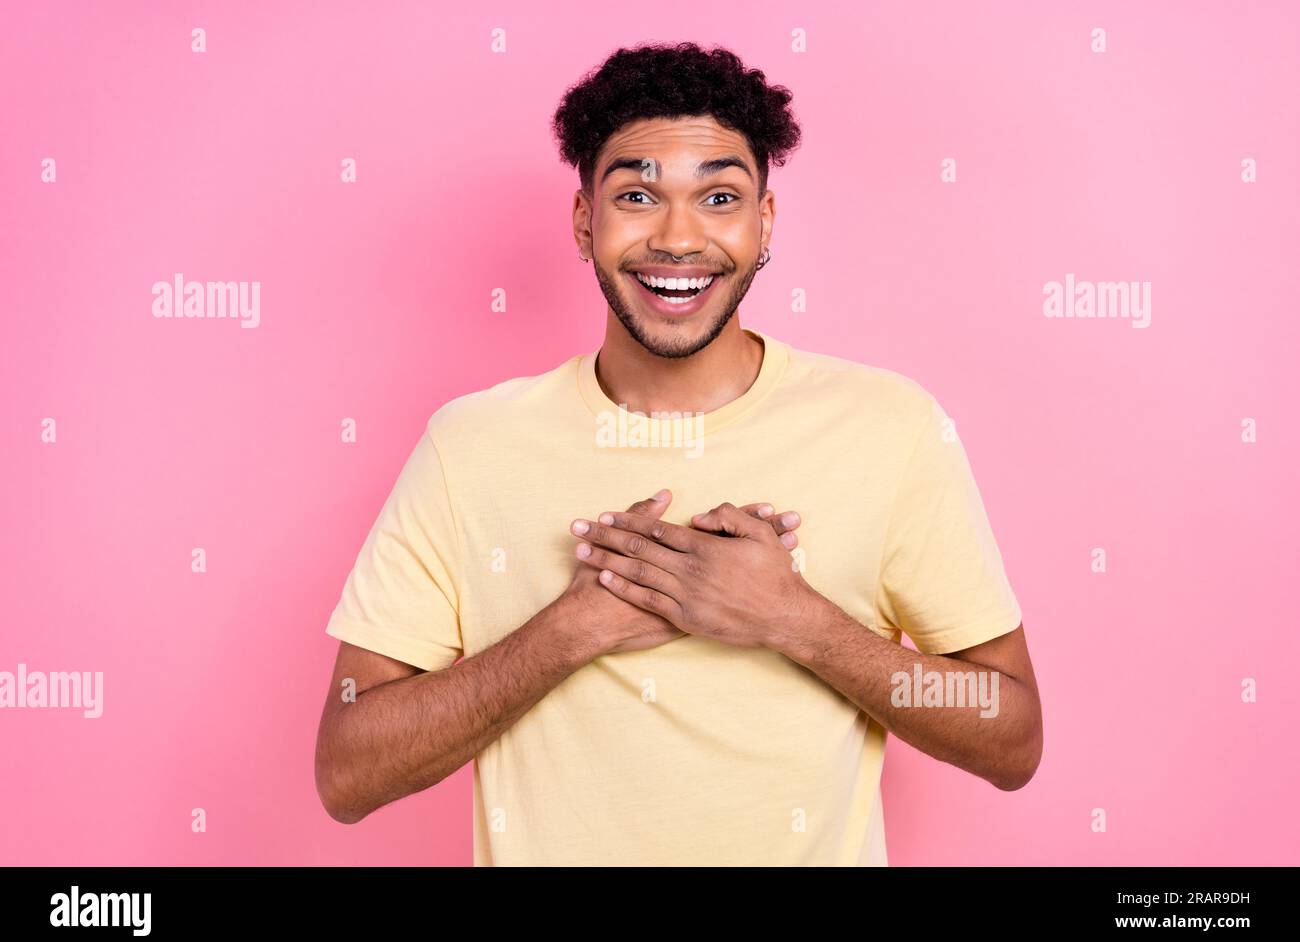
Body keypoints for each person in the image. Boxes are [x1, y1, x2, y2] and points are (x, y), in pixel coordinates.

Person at [315, 41, 1042, 865]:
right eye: (637, 195)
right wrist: (570, 629)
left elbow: (1011, 739)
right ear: (586, 219)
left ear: (763, 223)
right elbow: (348, 770)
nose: (679, 237)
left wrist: (795, 622)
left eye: (719, 195)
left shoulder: (891, 425)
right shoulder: (471, 444)